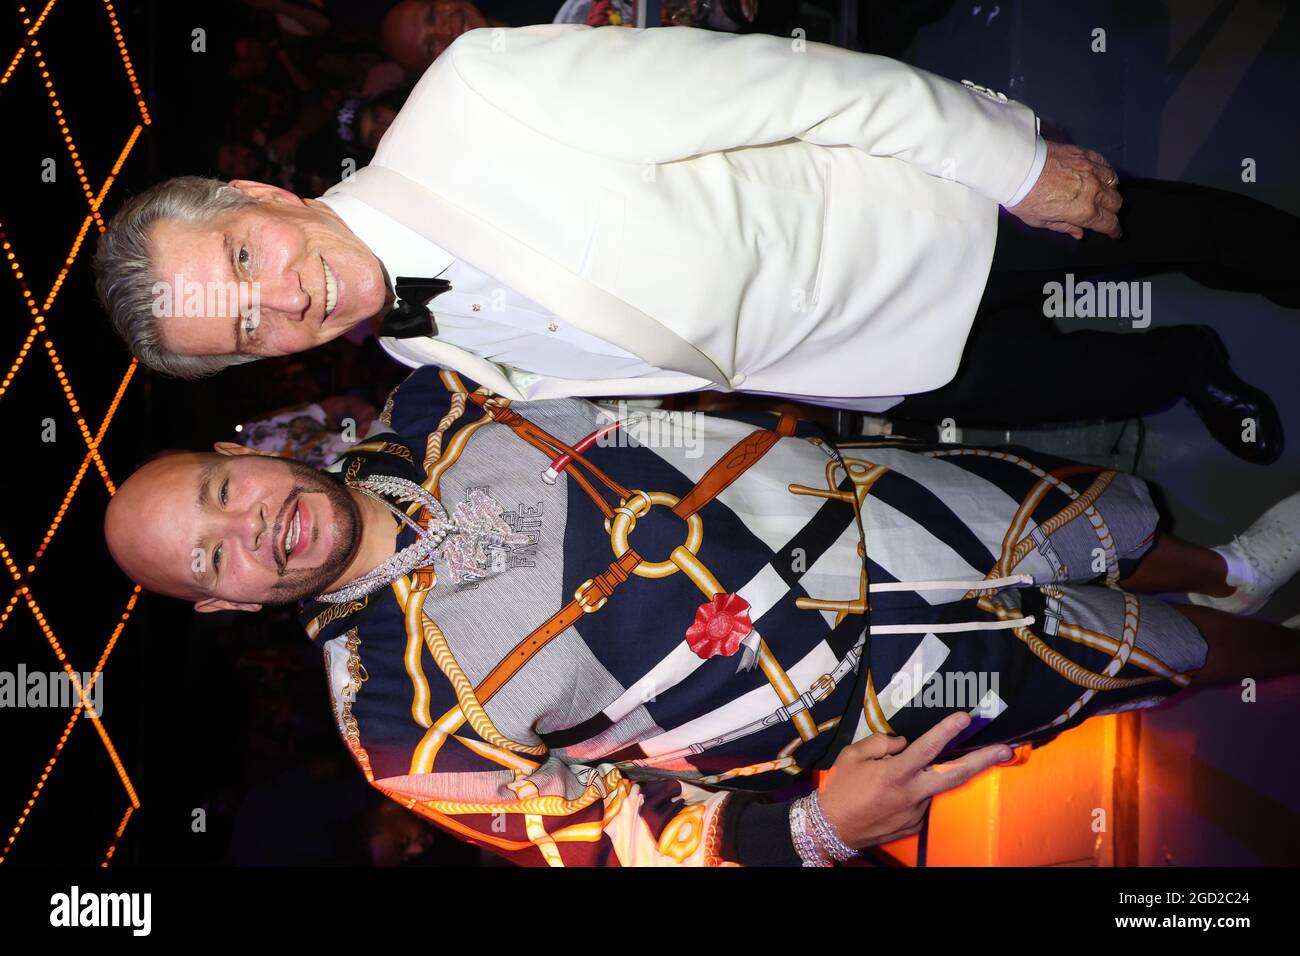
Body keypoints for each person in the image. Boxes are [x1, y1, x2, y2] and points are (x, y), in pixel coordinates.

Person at [103, 366, 1300, 866]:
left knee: (1115, 524)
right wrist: (818, 829)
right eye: (214, 555)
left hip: (893, 499)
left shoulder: (440, 389)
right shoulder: (398, 728)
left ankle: (1232, 562)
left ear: (235, 455)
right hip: (893, 687)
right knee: (1156, 654)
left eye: (221, 495)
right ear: (219, 600)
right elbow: (622, 838)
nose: (251, 528)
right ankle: (1262, 638)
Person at [94, 25, 1291, 463]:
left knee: (1167, 232)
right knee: (1101, 370)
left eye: (244, 260)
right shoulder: (417, 357)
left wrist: (1011, 165)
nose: (286, 297)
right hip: (883, 366)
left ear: (258, 192)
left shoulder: (477, 93)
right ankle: (1188, 366)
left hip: (936, 221)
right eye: (246, 327)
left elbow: (784, 85)